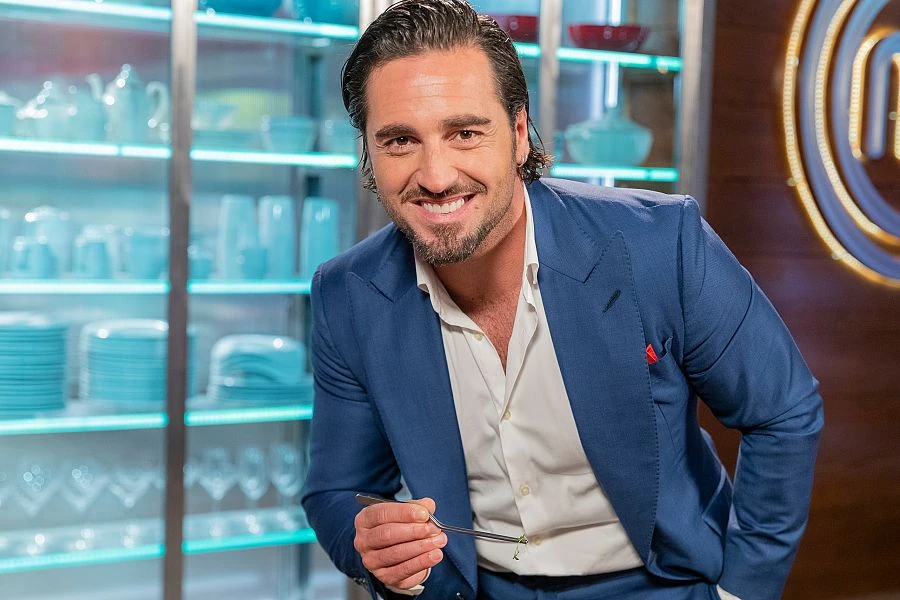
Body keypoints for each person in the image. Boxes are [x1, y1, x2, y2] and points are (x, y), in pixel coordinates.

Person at [301, 1, 823, 598]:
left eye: (465, 133)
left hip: (661, 585)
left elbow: (782, 411)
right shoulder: (347, 293)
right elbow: (338, 493)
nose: (436, 176)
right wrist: (372, 543)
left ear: (519, 134)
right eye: (400, 141)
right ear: (369, 154)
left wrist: (741, 592)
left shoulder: (660, 242)